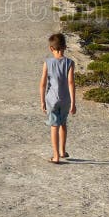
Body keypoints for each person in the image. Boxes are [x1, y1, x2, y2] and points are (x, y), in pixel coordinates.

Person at [39, 33, 76, 164]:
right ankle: (62, 151)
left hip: (52, 100)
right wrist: (73, 103)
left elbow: (43, 84)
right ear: (65, 47)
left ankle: (56, 156)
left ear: (51, 48)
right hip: (66, 100)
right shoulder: (70, 63)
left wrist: (42, 100)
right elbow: (71, 83)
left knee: (54, 125)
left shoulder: (48, 63)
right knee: (63, 123)